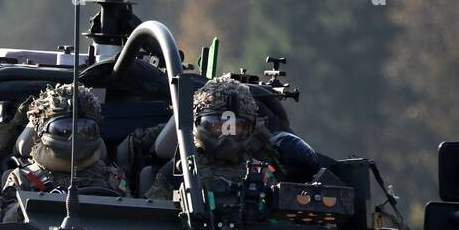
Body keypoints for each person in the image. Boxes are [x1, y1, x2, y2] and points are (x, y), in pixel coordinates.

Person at [133, 76, 320, 200]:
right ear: (197, 124)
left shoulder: (260, 172)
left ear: (251, 129)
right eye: (216, 125)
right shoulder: (180, 171)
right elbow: (153, 216)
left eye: (236, 127)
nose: (226, 136)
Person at [0, 83, 128, 222]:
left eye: (86, 130)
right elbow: (7, 220)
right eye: (64, 130)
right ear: (42, 132)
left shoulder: (113, 177)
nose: (75, 137)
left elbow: (133, 218)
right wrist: (40, 204)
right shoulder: (24, 178)